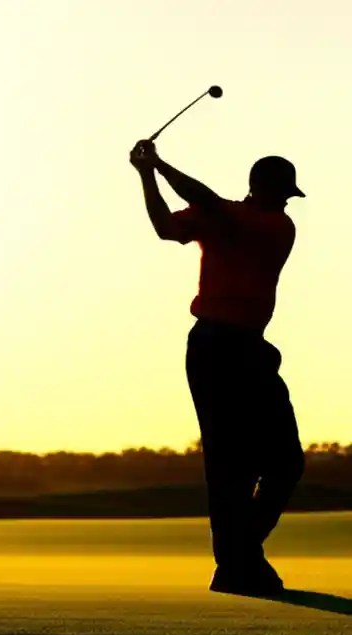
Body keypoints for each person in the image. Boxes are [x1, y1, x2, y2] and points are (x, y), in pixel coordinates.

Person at [130, 138, 306, 596]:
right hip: (213, 347)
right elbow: (166, 227)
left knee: (285, 462)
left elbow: (209, 203)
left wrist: (159, 164)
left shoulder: (275, 226)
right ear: (263, 187)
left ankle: (238, 559)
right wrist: (148, 176)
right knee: (230, 465)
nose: (289, 201)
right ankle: (240, 565)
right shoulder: (229, 215)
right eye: (284, 191)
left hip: (248, 348)